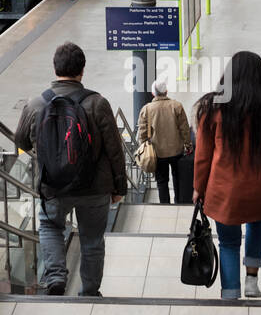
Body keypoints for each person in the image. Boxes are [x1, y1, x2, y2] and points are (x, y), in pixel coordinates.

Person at [14, 42, 127, 297]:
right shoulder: (97, 103)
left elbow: (20, 140)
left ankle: (55, 278)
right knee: (92, 240)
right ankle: (89, 291)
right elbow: (115, 150)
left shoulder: (36, 104)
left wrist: (47, 156)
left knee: (50, 226)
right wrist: (119, 188)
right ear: (82, 71)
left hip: (53, 185)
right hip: (95, 187)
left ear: (55, 68)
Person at [193, 51, 261, 299]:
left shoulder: (212, 107)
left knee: (228, 242)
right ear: (260, 77)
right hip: (259, 189)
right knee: (257, 224)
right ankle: (252, 280)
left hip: (224, 192)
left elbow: (203, 156)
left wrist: (198, 188)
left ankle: (230, 293)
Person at [137, 80, 191, 205]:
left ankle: (165, 204)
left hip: (157, 153)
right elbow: (184, 129)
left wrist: (144, 146)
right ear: (166, 91)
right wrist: (188, 144)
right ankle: (179, 202)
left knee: (162, 181)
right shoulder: (176, 106)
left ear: (153, 93)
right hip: (176, 151)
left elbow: (142, 134)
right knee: (178, 179)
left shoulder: (146, 109)